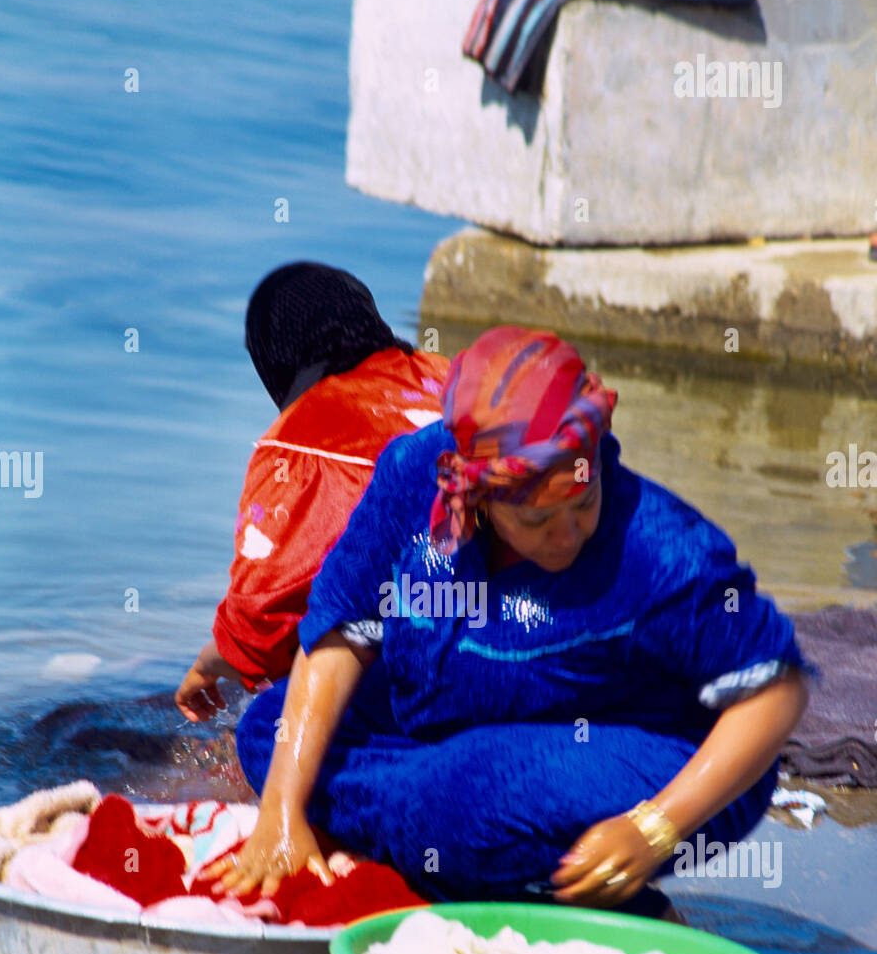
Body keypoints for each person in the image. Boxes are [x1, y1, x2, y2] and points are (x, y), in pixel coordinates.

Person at [208, 326, 810, 918]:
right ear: (480, 495)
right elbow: (341, 632)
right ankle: (460, 846)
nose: (569, 532)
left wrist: (655, 826)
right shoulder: (412, 478)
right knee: (268, 730)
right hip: (460, 727)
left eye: (583, 501)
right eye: (540, 519)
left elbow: (776, 688)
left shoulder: (663, 548)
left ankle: (558, 882)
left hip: (652, 754)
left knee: (465, 798)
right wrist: (283, 816)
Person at [175, 262, 449, 723]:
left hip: (437, 670)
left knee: (268, 725)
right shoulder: (451, 376)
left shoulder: (302, 442)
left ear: (275, 359)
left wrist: (212, 661)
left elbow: (265, 617)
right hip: (527, 620)